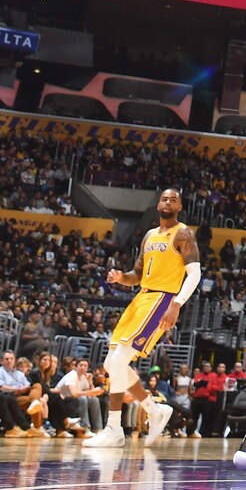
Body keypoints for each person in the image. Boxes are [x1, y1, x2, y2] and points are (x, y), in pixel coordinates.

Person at [87, 187, 199, 449]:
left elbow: (194, 273)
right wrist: (120, 278)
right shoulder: (149, 235)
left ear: (179, 206)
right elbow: (136, 274)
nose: (168, 202)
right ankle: (153, 410)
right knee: (110, 363)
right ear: (158, 204)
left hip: (163, 299)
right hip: (141, 298)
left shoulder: (183, 232)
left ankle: (115, 429)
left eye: (173, 199)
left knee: (117, 361)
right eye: (164, 198)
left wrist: (177, 303)